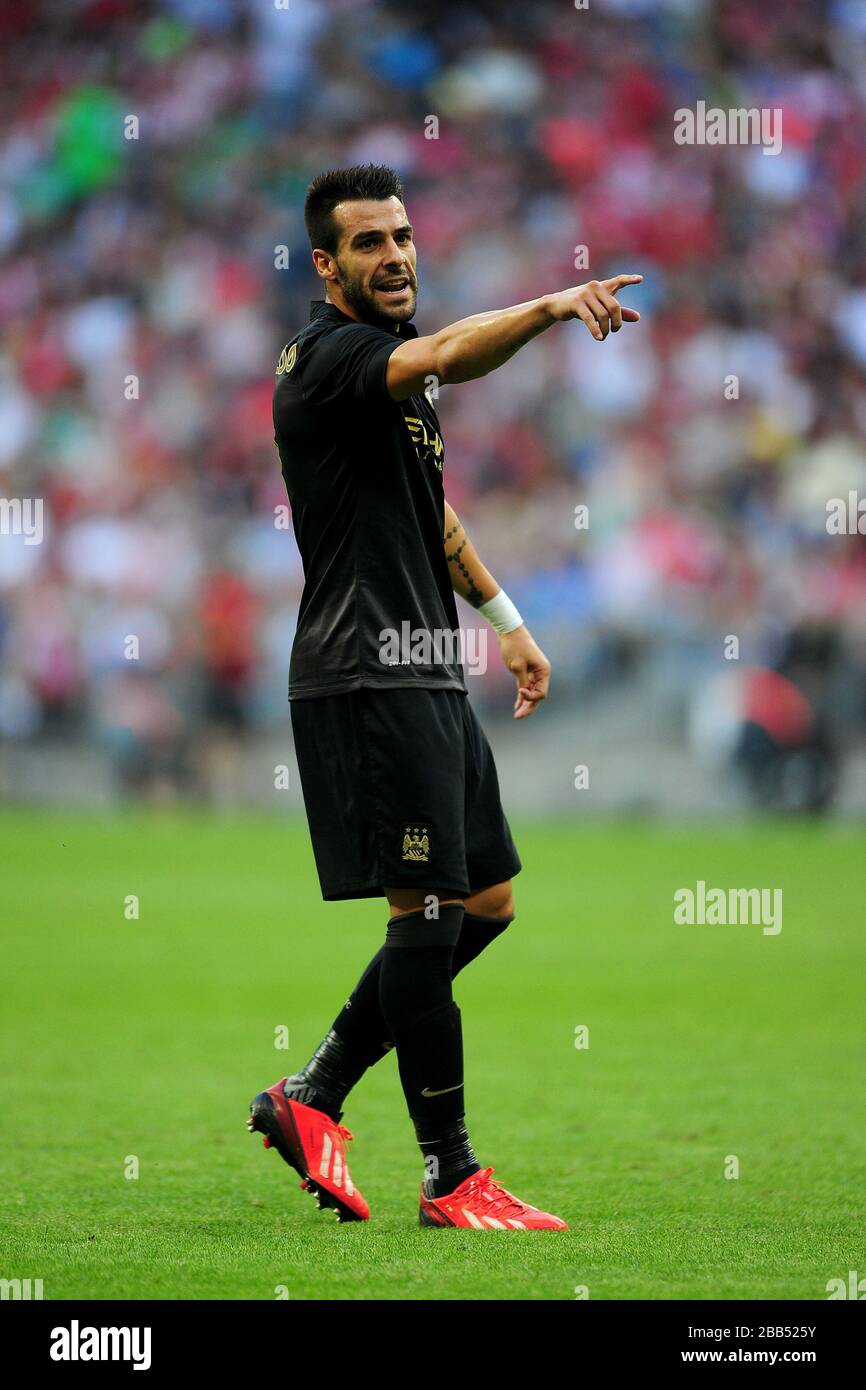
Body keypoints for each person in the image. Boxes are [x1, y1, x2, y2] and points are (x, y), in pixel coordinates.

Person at [247, 163, 642, 1229]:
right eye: (368, 243)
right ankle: (450, 1175)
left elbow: (432, 515)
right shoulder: (333, 360)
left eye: (403, 236)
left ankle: (312, 1093)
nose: (396, 257)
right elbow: (447, 354)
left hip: (424, 669)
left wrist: (507, 622)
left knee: (485, 903)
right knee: (422, 917)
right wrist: (551, 306)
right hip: (366, 675)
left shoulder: (391, 378)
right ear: (324, 265)